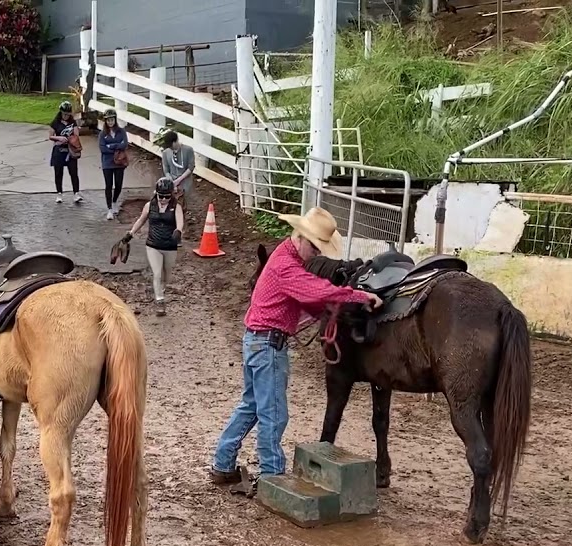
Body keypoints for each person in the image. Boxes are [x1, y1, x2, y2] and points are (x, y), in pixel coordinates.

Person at [208, 207, 383, 492]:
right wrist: (360, 296)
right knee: (273, 413)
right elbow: (317, 291)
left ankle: (223, 463)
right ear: (300, 237)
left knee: (251, 406)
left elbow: (306, 298)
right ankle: (272, 477)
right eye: (314, 246)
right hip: (268, 344)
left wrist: (323, 308)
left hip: (257, 340)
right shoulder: (287, 267)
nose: (316, 253)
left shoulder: (284, 258)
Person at [121, 177, 184, 316]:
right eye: (160, 196)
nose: (163, 199)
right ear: (156, 193)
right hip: (153, 244)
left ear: (171, 195)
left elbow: (180, 222)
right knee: (157, 273)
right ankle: (160, 301)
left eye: (166, 196)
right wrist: (130, 234)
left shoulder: (176, 207)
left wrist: (177, 232)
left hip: (170, 245)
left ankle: (161, 289)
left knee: (167, 276)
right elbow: (141, 220)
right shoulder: (150, 206)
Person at [49, 100, 83, 205]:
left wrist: (69, 139)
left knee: (73, 172)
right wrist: (59, 138)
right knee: (58, 173)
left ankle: (76, 193)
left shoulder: (73, 123)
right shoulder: (55, 123)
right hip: (59, 150)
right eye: (64, 114)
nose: (66, 116)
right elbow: (50, 136)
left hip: (70, 150)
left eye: (68, 114)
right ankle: (59, 193)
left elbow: (76, 135)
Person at [160, 130, 196, 226]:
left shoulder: (188, 150)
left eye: (171, 145)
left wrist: (179, 180)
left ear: (176, 141)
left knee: (182, 203)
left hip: (185, 181)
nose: (170, 148)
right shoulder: (166, 153)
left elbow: (190, 167)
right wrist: (171, 181)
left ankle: (180, 225)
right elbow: (166, 169)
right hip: (172, 181)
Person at [99, 108, 129, 220]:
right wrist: (117, 146)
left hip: (119, 162)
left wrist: (110, 146)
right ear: (105, 121)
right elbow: (102, 149)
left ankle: (115, 200)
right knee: (108, 185)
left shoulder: (121, 131)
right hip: (107, 163)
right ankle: (109, 209)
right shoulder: (102, 134)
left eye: (112, 119)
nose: (110, 122)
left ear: (115, 120)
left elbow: (124, 144)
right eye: (108, 120)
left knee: (118, 184)